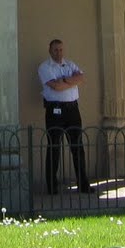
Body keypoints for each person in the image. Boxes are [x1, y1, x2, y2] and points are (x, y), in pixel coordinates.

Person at [37, 38, 91, 194]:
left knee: (77, 146)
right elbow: (56, 86)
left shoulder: (70, 64)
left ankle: (83, 184)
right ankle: (52, 186)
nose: (59, 52)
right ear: (50, 50)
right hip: (55, 110)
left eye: (61, 49)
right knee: (54, 146)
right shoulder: (45, 67)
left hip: (73, 109)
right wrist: (71, 81)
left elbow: (81, 78)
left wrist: (66, 80)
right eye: (55, 50)